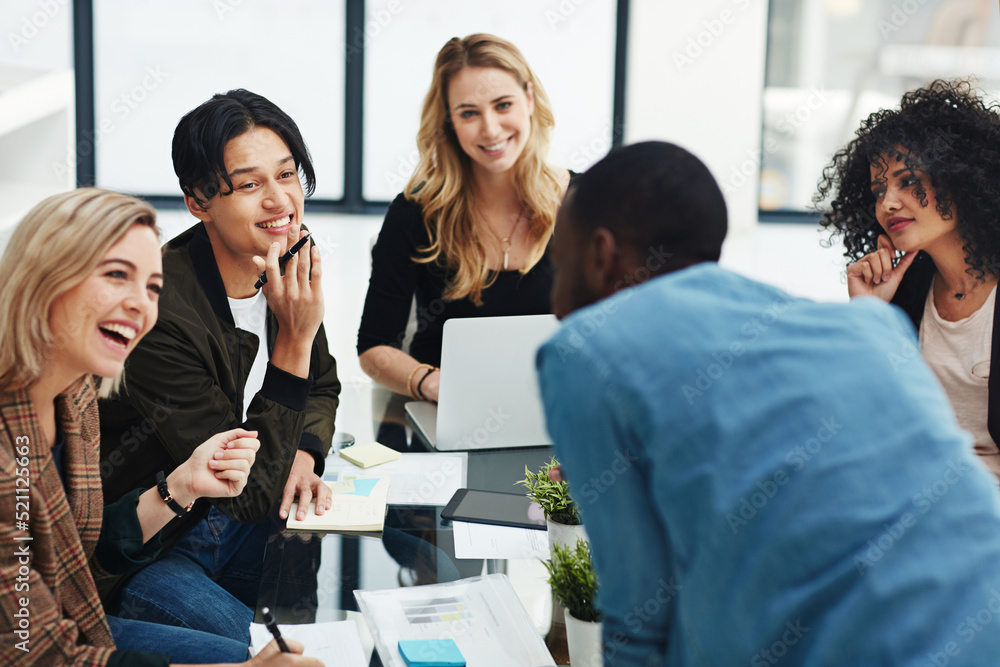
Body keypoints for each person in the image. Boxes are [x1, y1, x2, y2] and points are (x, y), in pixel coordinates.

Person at [537, 141, 1000, 666]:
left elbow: (639, 620)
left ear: (600, 254)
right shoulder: (867, 326)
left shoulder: (584, 353)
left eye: (557, 263)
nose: (554, 299)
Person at [0, 188, 319, 665]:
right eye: (116, 275)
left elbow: (81, 560)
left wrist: (182, 484)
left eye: (152, 287)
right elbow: (32, 652)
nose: (141, 305)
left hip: (82, 616)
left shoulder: (76, 395)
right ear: (42, 279)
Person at [98, 90, 341, 638]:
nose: (280, 201)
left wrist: (304, 453)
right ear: (198, 201)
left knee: (334, 614)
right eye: (250, 185)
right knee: (262, 651)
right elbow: (243, 492)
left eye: (287, 175)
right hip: (161, 543)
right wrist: (293, 339)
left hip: (247, 514)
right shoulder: (158, 311)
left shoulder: (286, 254)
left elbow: (322, 385)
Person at [357, 33, 573, 402]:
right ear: (449, 121)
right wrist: (431, 383)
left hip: (560, 409)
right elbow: (374, 348)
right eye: (469, 113)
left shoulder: (584, 203)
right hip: (445, 411)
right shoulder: (414, 213)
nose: (490, 129)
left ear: (529, 98)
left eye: (503, 105)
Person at [817, 79, 1000, 479]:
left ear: (961, 179)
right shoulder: (904, 292)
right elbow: (856, 419)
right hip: (912, 493)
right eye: (878, 190)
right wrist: (869, 315)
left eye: (908, 181)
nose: (888, 203)